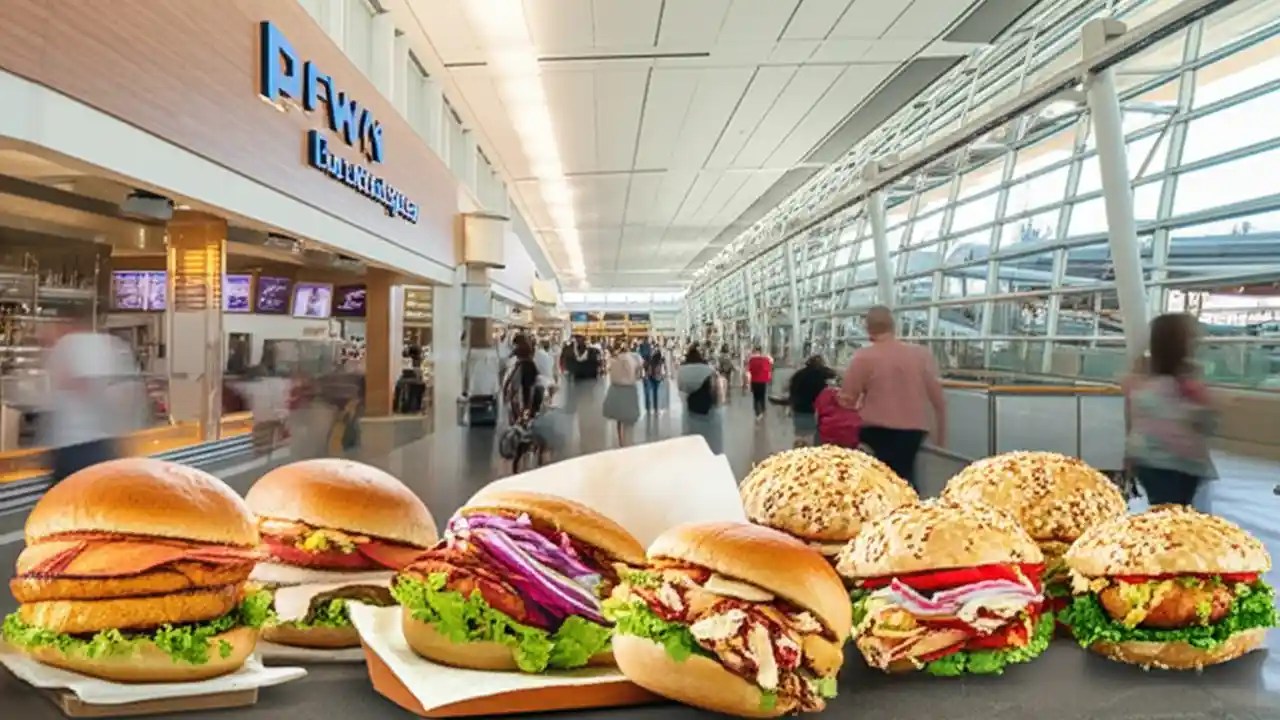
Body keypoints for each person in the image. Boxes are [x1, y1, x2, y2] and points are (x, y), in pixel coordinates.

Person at [838, 306, 946, 488]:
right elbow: (939, 402)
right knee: (904, 477)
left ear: (868, 329)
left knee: (878, 482)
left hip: (876, 432)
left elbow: (847, 399)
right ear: (893, 326)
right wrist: (941, 441)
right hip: (914, 432)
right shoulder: (920, 355)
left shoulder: (864, 357)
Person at [1124, 313, 1217, 506]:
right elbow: (1207, 423)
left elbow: (1132, 420)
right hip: (1180, 464)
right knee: (1178, 517)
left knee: (1166, 512)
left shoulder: (1141, 381)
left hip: (1149, 461)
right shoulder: (1186, 383)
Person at [38, 319, 146, 481]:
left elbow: (63, 386)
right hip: (105, 446)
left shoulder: (67, 346)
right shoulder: (113, 345)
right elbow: (128, 395)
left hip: (75, 449)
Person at [677, 345, 723, 454]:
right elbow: (716, 390)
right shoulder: (708, 370)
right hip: (709, 411)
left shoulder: (682, 371)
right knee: (710, 441)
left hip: (690, 411)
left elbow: (680, 387)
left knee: (692, 441)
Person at [789, 354, 836, 444]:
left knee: (801, 435)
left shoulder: (799, 374)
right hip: (819, 410)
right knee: (815, 436)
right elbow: (833, 374)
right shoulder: (824, 374)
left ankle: (799, 453)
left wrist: (791, 405)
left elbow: (792, 390)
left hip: (800, 408)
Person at [602, 343, 642, 446]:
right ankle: (628, 442)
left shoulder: (614, 360)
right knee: (629, 421)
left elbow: (610, 373)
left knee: (619, 419)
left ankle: (620, 441)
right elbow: (637, 375)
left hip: (615, 390)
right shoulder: (634, 359)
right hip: (629, 391)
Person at [503, 334, 542, 421]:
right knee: (528, 392)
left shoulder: (518, 350)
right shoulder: (530, 347)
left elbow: (509, 357)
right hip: (531, 368)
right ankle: (526, 413)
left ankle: (520, 416)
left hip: (523, 368)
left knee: (518, 393)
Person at [745, 345, 773, 420]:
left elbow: (749, 371)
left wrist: (747, 383)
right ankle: (763, 410)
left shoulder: (751, 360)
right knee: (762, 396)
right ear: (760, 351)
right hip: (763, 381)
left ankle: (757, 412)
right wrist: (769, 379)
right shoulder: (765, 360)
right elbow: (769, 369)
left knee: (756, 397)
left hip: (754, 381)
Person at [643, 345, 666, 413]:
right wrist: (662, 377)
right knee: (655, 393)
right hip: (656, 378)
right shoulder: (660, 363)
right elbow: (661, 372)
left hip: (651, 378)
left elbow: (649, 371)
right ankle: (655, 408)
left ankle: (648, 408)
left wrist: (647, 376)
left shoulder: (652, 362)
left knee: (649, 393)